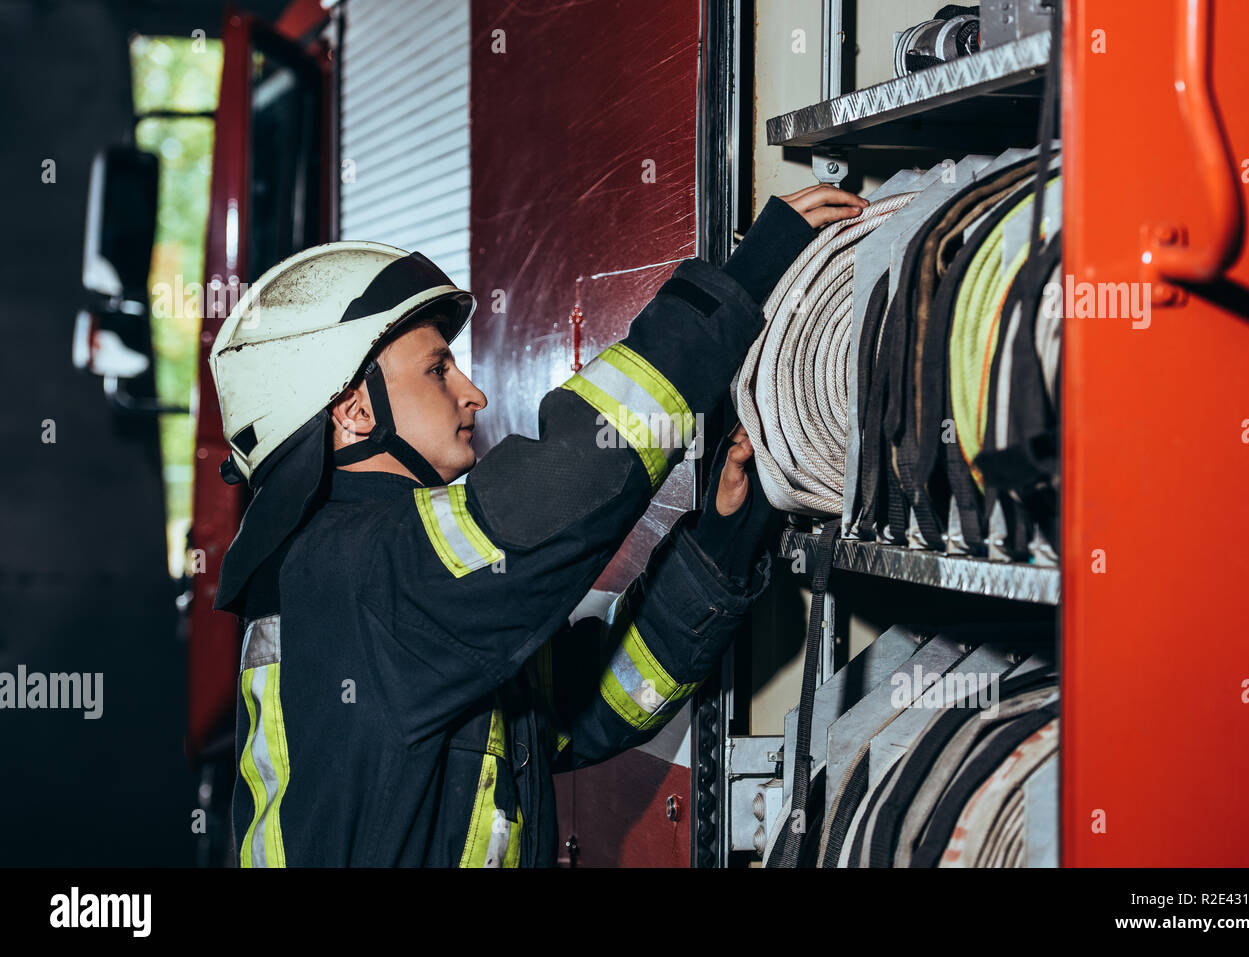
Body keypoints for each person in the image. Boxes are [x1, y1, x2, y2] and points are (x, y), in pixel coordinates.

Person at [208, 185, 869, 866]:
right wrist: (739, 285)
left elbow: (588, 706)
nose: (474, 392)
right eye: (438, 369)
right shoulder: (355, 567)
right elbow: (567, 480)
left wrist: (724, 539)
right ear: (354, 411)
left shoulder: (352, 574)